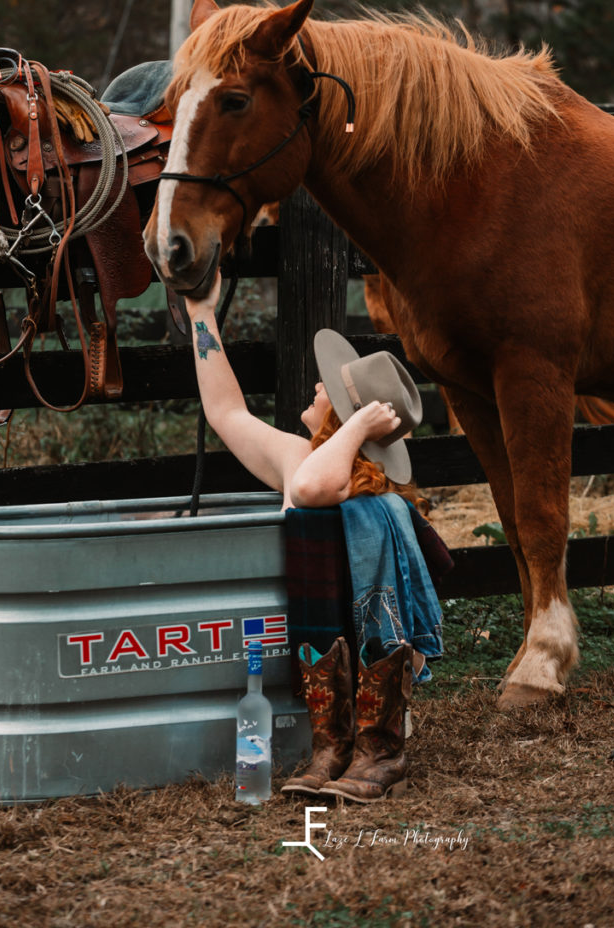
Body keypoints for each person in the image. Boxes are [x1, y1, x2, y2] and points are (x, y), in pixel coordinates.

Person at [184, 270, 444, 803]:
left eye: (329, 388)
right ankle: (332, 747)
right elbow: (225, 411)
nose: (318, 385)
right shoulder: (296, 453)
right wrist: (200, 314)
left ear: (353, 421)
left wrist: (354, 429)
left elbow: (308, 488)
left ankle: (378, 747)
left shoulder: (358, 489)